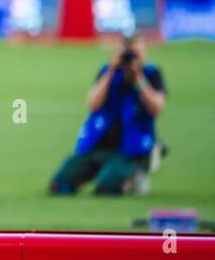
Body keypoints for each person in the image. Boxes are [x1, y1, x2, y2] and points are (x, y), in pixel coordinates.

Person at [48, 32, 166, 197]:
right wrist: (111, 72)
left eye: (134, 54)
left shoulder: (151, 74)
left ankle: (135, 176)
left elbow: (157, 108)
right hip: (99, 144)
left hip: (132, 149)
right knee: (59, 184)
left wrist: (138, 79)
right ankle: (101, 172)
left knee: (107, 188)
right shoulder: (107, 72)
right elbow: (92, 104)